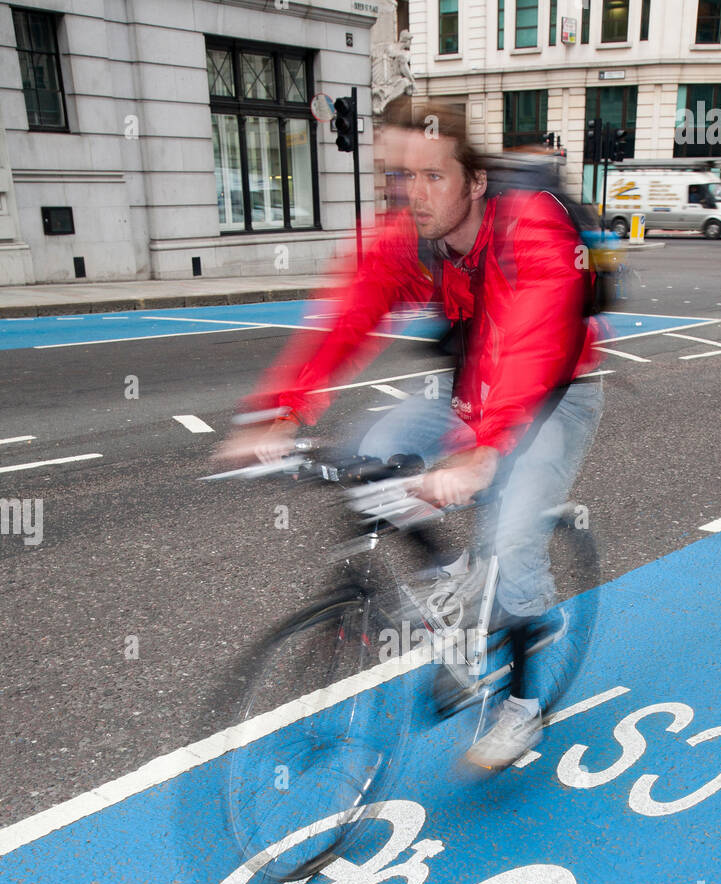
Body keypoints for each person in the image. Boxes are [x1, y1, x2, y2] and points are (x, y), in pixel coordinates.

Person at [213, 108, 603, 768]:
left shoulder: (529, 221)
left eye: (430, 175)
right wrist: (278, 412)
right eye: (396, 176)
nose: (412, 193)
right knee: (368, 457)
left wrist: (482, 451)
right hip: (473, 389)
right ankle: (451, 592)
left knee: (510, 541)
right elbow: (348, 315)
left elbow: (536, 336)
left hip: (555, 390)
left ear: (475, 181)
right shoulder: (407, 238)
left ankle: (525, 693)